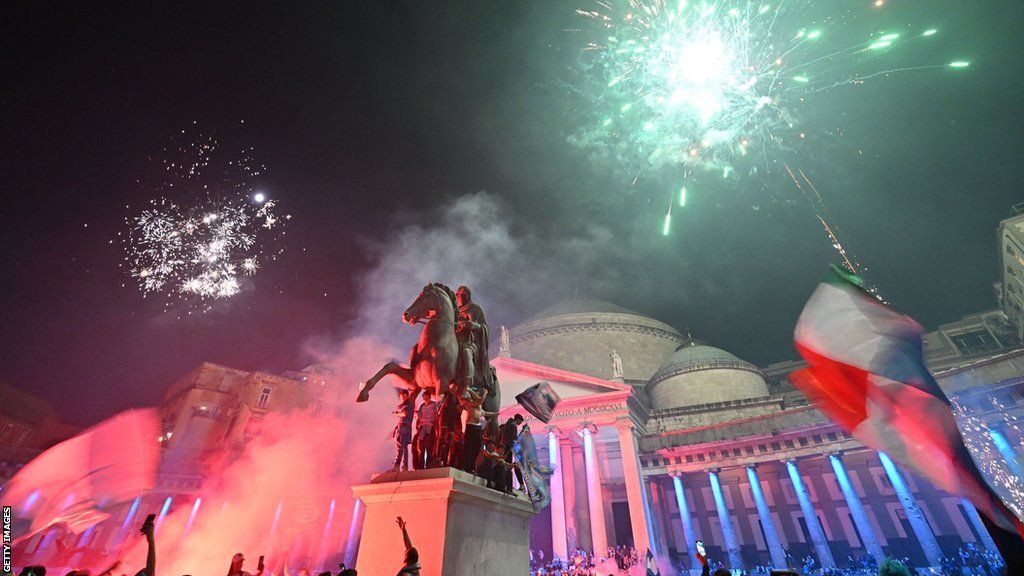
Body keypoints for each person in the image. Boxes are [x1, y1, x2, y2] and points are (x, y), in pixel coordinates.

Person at [458, 387, 498, 473]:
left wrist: (495, 414)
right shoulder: (469, 403)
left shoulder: (479, 407)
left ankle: (472, 467)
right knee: (468, 448)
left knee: (476, 449)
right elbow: (480, 400)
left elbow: (485, 413)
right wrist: (485, 393)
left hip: (478, 428)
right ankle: (464, 466)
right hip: (470, 427)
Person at [391, 389, 417, 471]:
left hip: (403, 427)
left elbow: (404, 414)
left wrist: (397, 414)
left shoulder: (407, 403)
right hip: (407, 427)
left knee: (399, 445)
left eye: (401, 396)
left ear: (405, 395)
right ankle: (405, 466)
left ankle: (396, 465)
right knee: (405, 447)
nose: (400, 398)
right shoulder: (410, 403)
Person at [412, 389, 438, 469]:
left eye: (427, 398)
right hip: (423, 427)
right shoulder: (422, 406)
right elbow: (419, 416)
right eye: (424, 398)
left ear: (430, 397)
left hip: (430, 427)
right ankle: (420, 466)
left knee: (430, 447)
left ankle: (429, 466)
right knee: (420, 446)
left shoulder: (434, 405)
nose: (425, 400)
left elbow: (437, 415)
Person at [499, 414, 525, 489]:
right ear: (518, 419)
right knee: (509, 465)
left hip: (505, 447)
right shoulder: (513, 425)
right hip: (509, 447)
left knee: (506, 464)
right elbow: (514, 438)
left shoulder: (508, 424)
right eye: (520, 421)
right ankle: (508, 483)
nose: (520, 423)